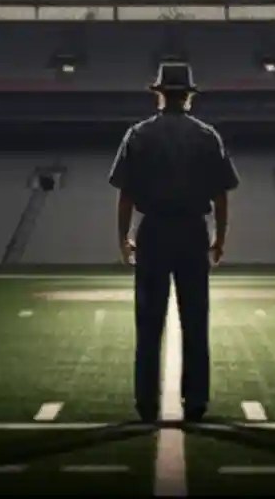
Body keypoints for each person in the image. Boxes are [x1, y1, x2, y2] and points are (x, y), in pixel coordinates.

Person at [108, 61, 240, 423]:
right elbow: (222, 195)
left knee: (149, 323)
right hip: (192, 232)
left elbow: (125, 195)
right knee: (195, 321)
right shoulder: (207, 135)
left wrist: (124, 239)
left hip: (153, 232)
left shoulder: (138, 134)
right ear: (189, 98)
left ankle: (146, 404)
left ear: (159, 95)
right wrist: (219, 239)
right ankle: (195, 401)